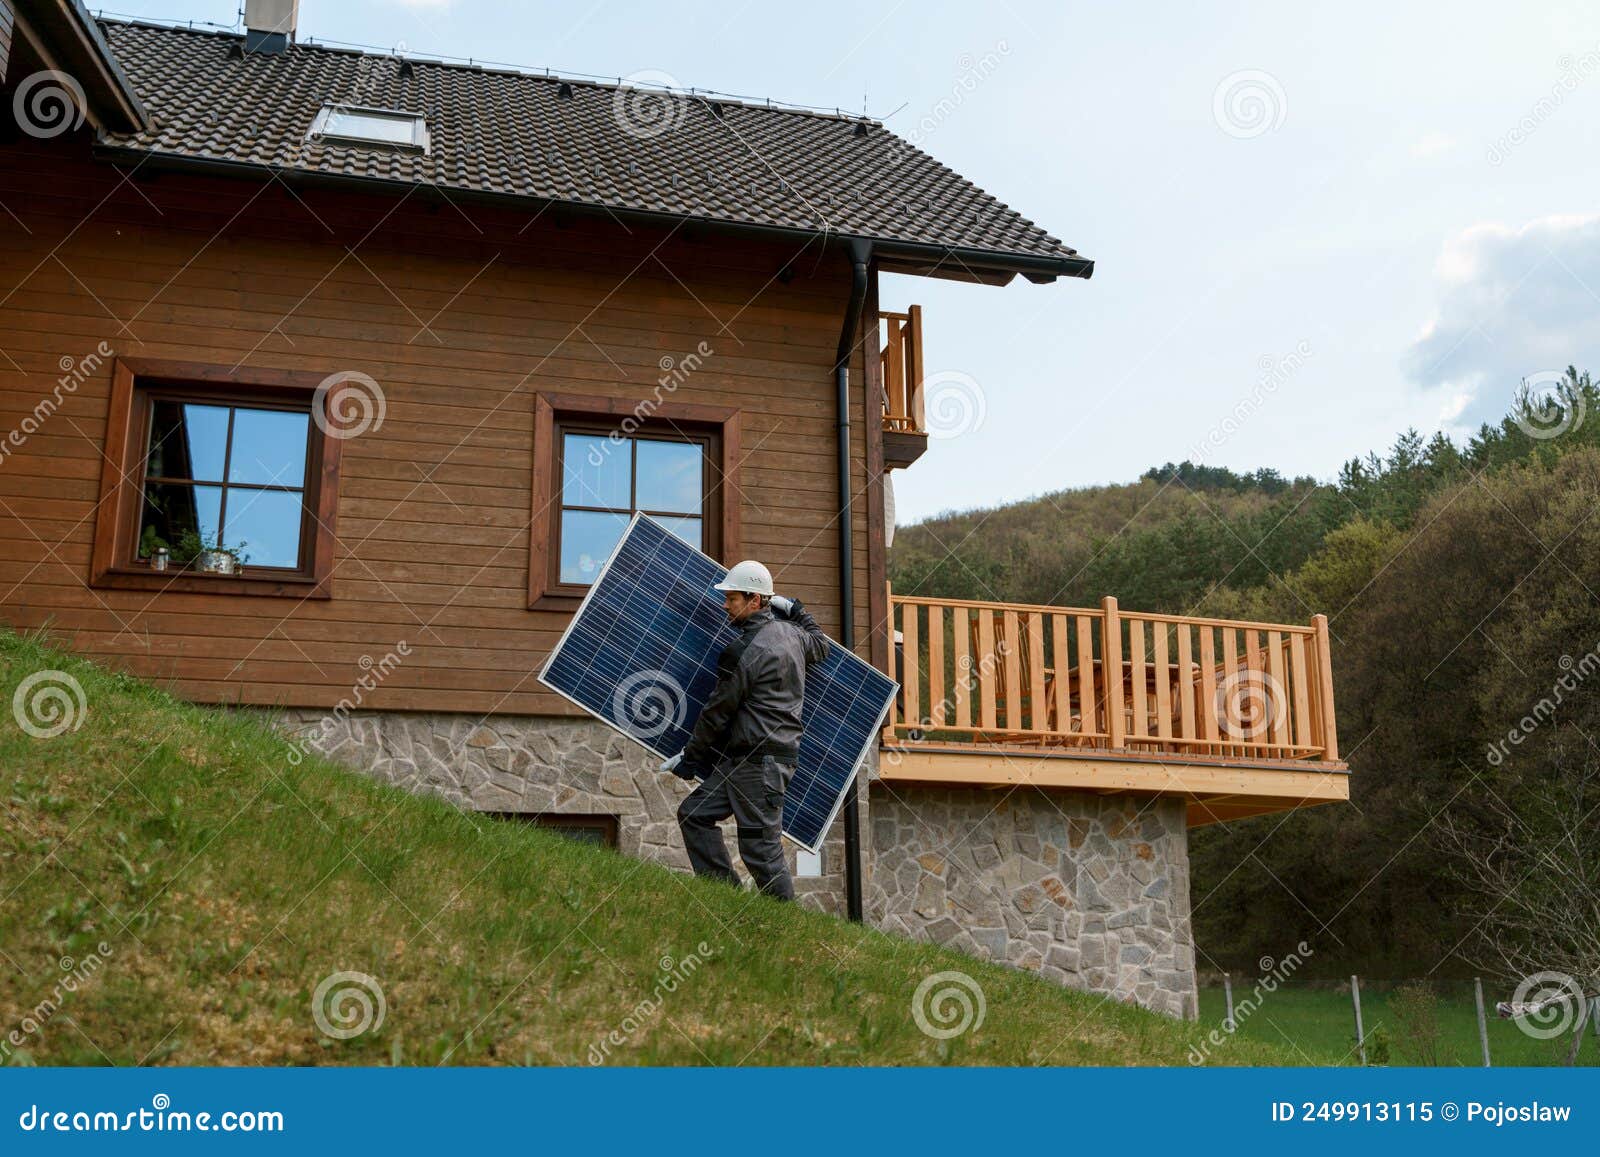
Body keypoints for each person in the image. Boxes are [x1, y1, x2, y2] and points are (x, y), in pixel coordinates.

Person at [659, 559, 828, 900]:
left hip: (759, 765)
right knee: (693, 814)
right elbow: (820, 644)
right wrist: (797, 611)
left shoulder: (742, 651)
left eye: (732, 598)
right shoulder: (794, 635)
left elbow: (717, 712)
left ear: (754, 600)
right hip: (746, 762)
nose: (725, 605)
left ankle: (785, 923)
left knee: (761, 852)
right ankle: (726, 896)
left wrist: (691, 759)